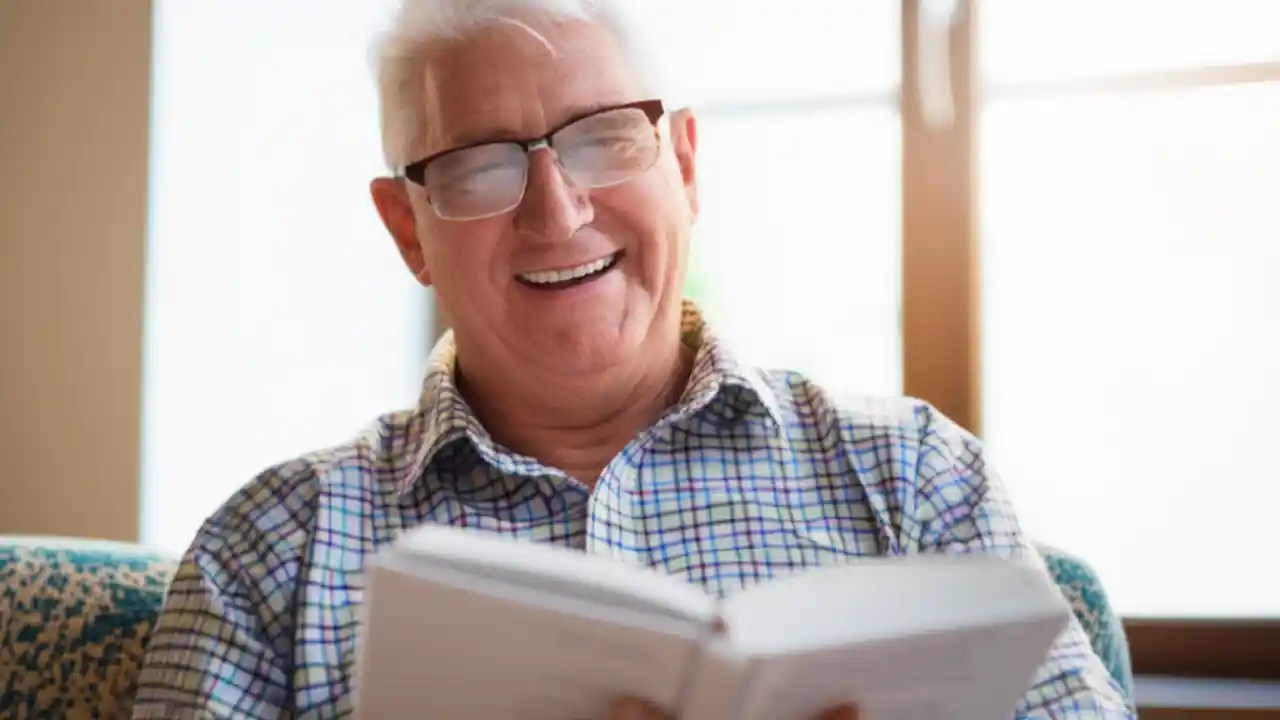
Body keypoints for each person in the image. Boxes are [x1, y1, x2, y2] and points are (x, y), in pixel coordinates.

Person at [133, 1, 1133, 718]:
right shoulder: (270, 549)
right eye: (480, 165)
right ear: (407, 229)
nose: (555, 210)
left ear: (684, 164)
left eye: (604, 140)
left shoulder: (914, 477)